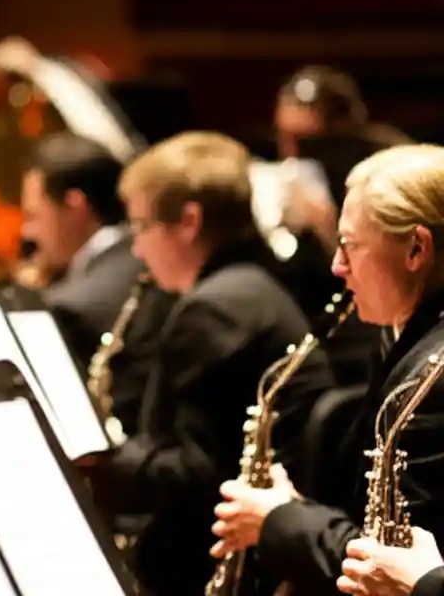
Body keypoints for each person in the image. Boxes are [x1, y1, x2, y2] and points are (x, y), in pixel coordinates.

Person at [90, 131, 333, 595]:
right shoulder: (252, 286)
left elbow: (195, 478)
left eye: (141, 227)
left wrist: (93, 467)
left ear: (188, 220)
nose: (137, 250)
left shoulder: (216, 308)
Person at [210, 144, 444, 595]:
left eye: (350, 245)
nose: (337, 266)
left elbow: (390, 570)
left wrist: (279, 520)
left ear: (416, 248)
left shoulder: (432, 382)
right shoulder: (406, 339)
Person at [19, 134, 174, 428]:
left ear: (76, 206)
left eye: (34, 215)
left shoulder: (71, 306)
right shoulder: (142, 254)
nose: (27, 232)